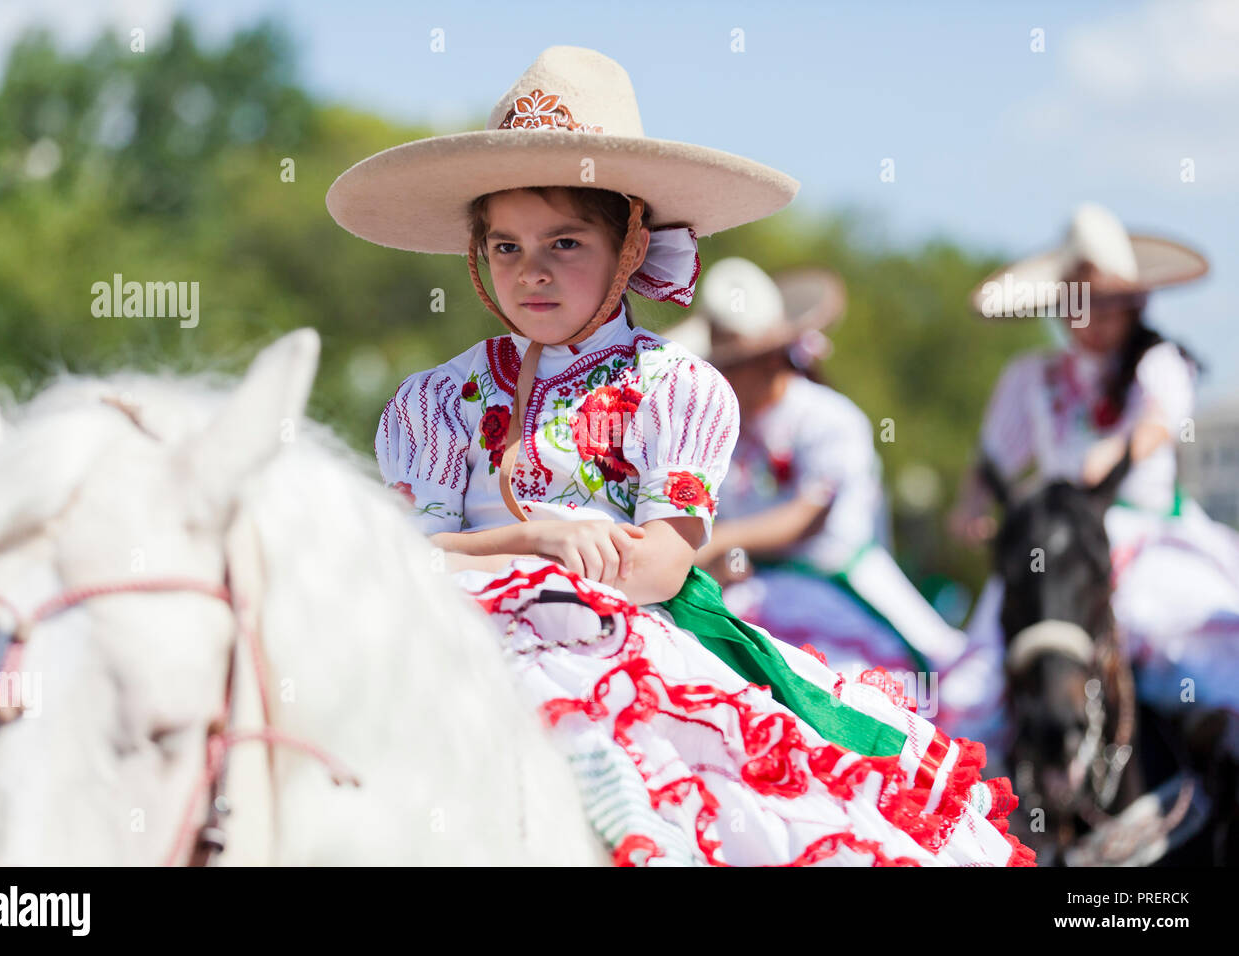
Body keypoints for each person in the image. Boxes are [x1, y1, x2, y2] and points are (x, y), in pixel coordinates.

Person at [329, 45, 1032, 866]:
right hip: (454, 644)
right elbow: (417, 558)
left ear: (629, 245)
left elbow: (660, 568)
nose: (533, 274)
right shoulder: (435, 399)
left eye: (564, 244)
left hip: (613, 653)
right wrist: (537, 541)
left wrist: (541, 559)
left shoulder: (675, 387)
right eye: (507, 248)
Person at [666, 257, 1009, 770]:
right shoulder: (722, 432)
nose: (728, 378)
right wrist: (717, 563)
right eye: (722, 365)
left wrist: (718, 541)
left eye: (737, 363)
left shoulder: (828, 417)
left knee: (892, 706)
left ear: (771, 358)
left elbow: (809, 517)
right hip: (757, 591)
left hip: (844, 588)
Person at [950, 202, 1239, 747]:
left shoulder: (1160, 362)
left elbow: (1160, 420)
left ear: (1134, 304)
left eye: (1107, 304)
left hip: (1145, 534)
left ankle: (1203, 775)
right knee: (978, 678)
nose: (1092, 318)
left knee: (1188, 647)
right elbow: (992, 460)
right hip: (1054, 545)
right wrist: (970, 506)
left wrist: (1114, 452)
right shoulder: (1031, 377)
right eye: (1079, 304)